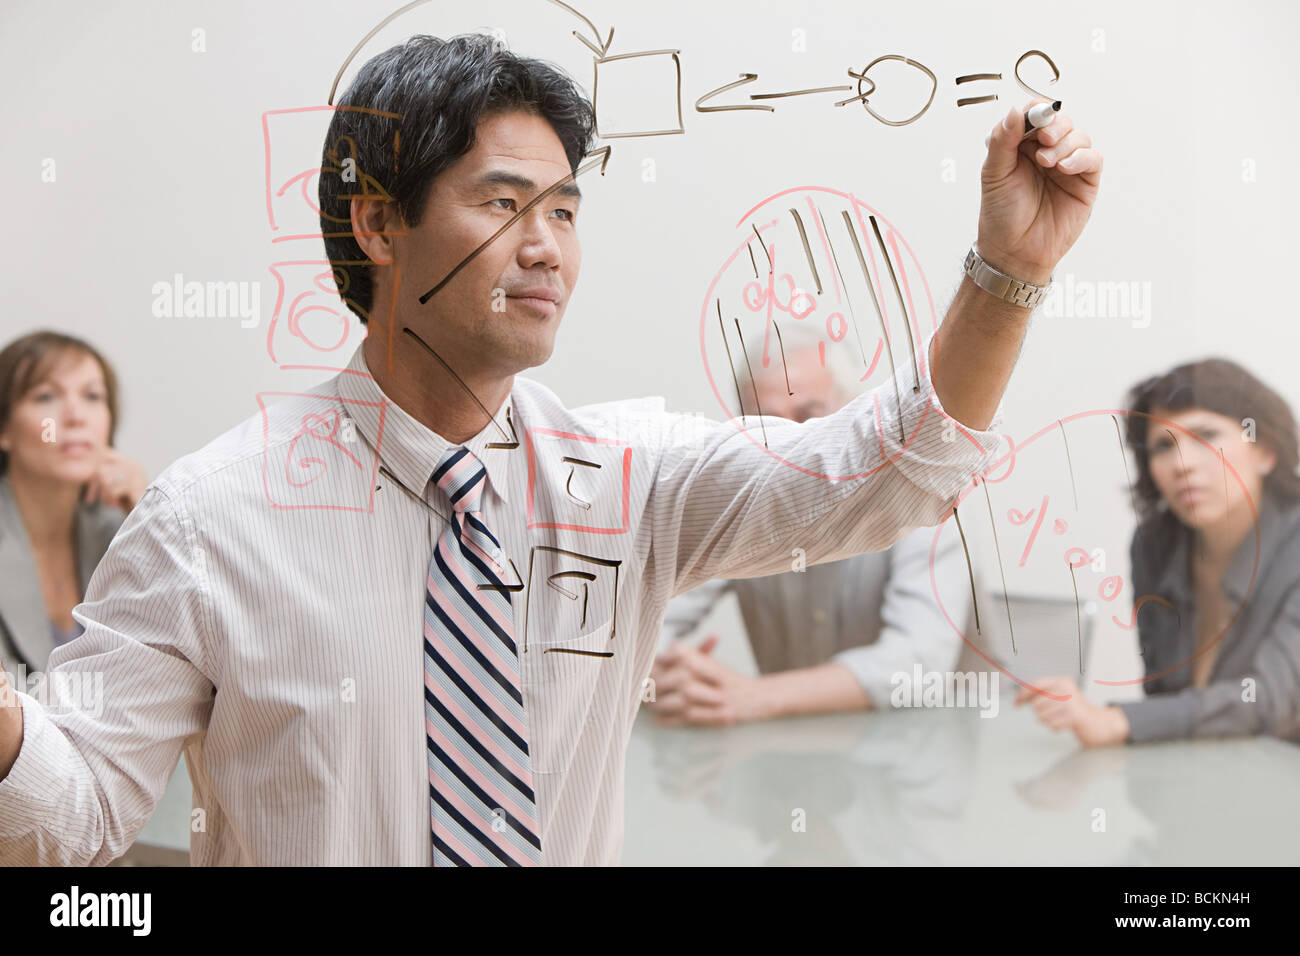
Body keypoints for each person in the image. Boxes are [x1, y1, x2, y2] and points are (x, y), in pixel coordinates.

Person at [0, 33, 1101, 865]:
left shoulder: (628, 477)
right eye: (501, 202)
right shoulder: (210, 518)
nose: (547, 248)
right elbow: (76, 811)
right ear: (379, 224)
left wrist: (1009, 273)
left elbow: (889, 469)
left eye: (566, 210)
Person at [649, 322, 973, 726]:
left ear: (855, 413)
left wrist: (752, 697)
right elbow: (643, 613)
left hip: (912, 759)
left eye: (810, 415)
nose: (793, 442)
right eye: (769, 425)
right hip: (785, 763)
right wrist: (665, 674)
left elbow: (918, 663)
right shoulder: (737, 500)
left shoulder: (919, 503)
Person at [1016, 359, 1300, 747]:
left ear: (1265, 450)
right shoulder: (1153, 544)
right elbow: (1163, 695)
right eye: (1164, 445)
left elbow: (1269, 702)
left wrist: (1117, 721)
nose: (1182, 464)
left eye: (1205, 436)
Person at [0, 331, 148, 675]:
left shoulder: (121, 527)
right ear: (4, 428)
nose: (75, 416)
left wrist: (148, 514)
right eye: (46, 396)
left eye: (93, 396)